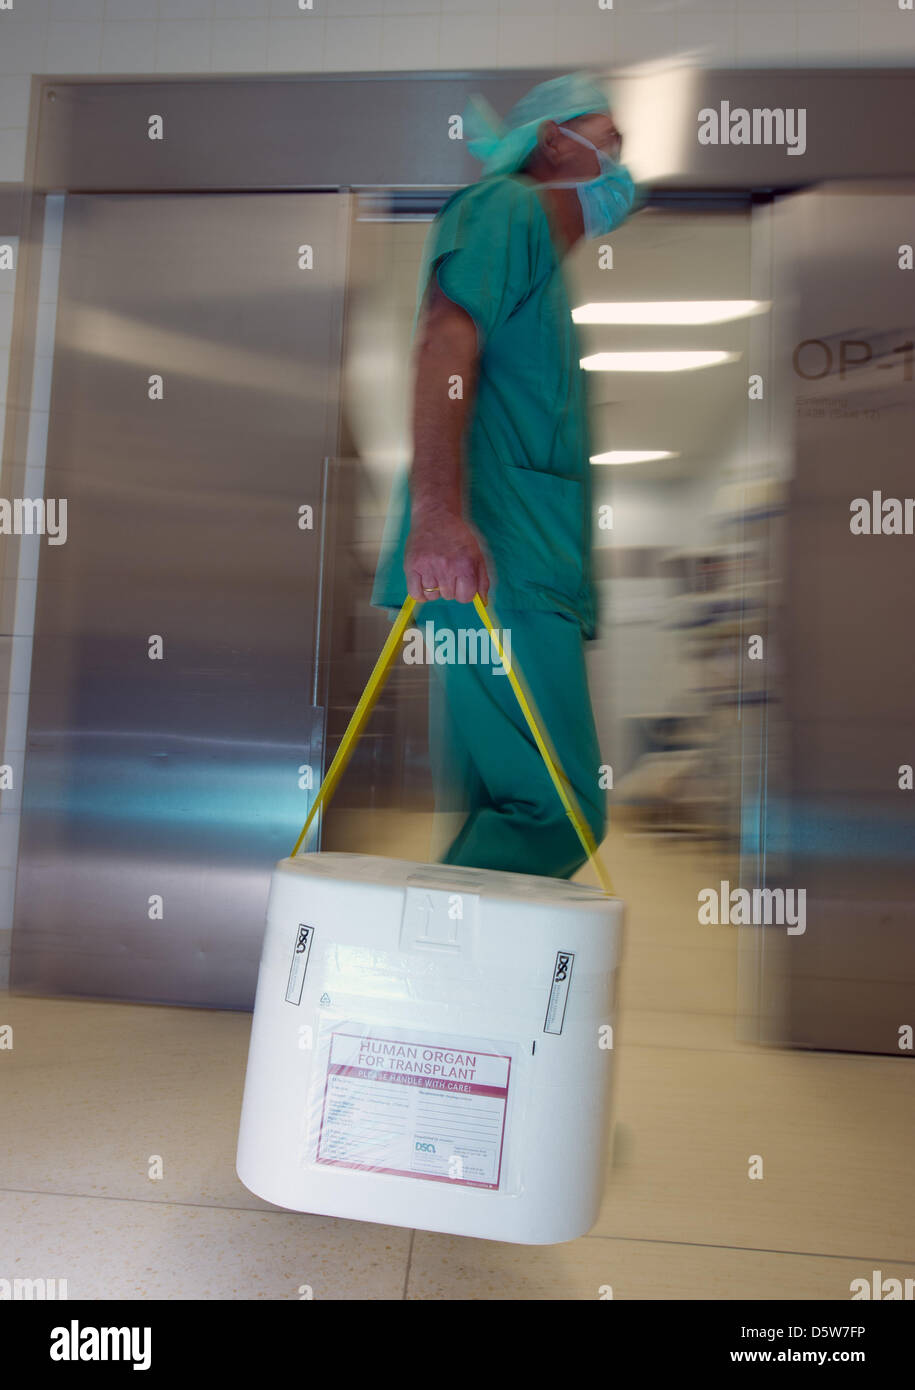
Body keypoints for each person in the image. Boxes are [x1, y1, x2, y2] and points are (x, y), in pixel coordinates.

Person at [371, 73, 638, 879]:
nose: (622, 167)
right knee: (558, 808)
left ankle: (446, 995)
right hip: (495, 563)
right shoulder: (505, 209)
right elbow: (444, 345)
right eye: (610, 140)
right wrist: (441, 517)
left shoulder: (541, 266)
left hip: (511, 567)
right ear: (555, 140)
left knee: (503, 805)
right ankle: (412, 983)